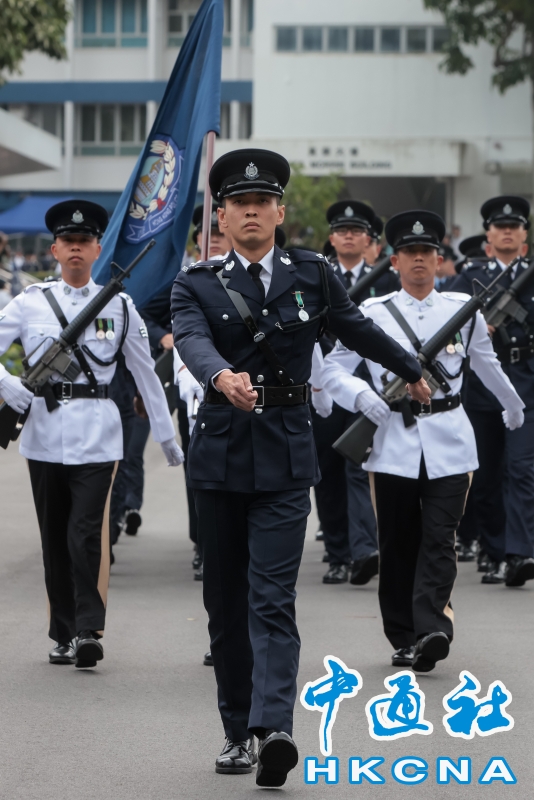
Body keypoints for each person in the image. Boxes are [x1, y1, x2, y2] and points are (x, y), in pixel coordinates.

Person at [171, 149, 427, 785]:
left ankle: (275, 727)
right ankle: (237, 732)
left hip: (287, 454)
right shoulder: (195, 284)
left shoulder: (312, 274)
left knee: (272, 600)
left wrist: (414, 368)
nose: (252, 211)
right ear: (221, 218)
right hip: (220, 457)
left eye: (263, 202)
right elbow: (195, 340)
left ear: (280, 212)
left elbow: (355, 329)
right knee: (226, 605)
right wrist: (219, 375)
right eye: (239, 204)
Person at [322, 209, 524, 673]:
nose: (419, 261)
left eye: (427, 253)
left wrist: (513, 406)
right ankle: (403, 634)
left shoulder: (461, 310)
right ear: (394, 261)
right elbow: (332, 367)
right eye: (410, 253)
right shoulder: (370, 314)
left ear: (439, 259)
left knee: (439, 537)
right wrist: (362, 397)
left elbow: (487, 364)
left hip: (450, 440)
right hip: (391, 440)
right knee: (397, 542)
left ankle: (432, 628)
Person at [0, 200, 183, 668]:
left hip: (99, 435)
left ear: (98, 248)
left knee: (85, 533)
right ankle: (61, 631)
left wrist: (167, 438)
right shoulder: (30, 302)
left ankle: (88, 631)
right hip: (43, 433)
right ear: (56, 250)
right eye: (69, 243)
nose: (77, 249)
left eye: (85, 242)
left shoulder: (120, 307)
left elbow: (146, 374)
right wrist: (10, 386)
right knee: (54, 537)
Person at [312, 201, 400, 586]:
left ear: (368, 239)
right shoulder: (314, 276)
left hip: (372, 389)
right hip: (324, 386)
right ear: (332, 238)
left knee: (359, 467)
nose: (348, 236)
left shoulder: (387, 281)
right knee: (327, 471)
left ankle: (364, 549)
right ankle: (337, 553)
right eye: (342, 230)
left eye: (356, 231)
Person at [451, 196, 534, 587]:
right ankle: (493, 547)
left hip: (526, 382)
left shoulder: (530, 274)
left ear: (524, 235)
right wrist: (473, 330)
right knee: (484, 477)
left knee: (520, 470)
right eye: (500, 226)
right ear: (488, 234)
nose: (507, 231)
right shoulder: (470, 277)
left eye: (514, 226)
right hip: (483, 388)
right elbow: (445, 324)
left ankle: (518, 554)